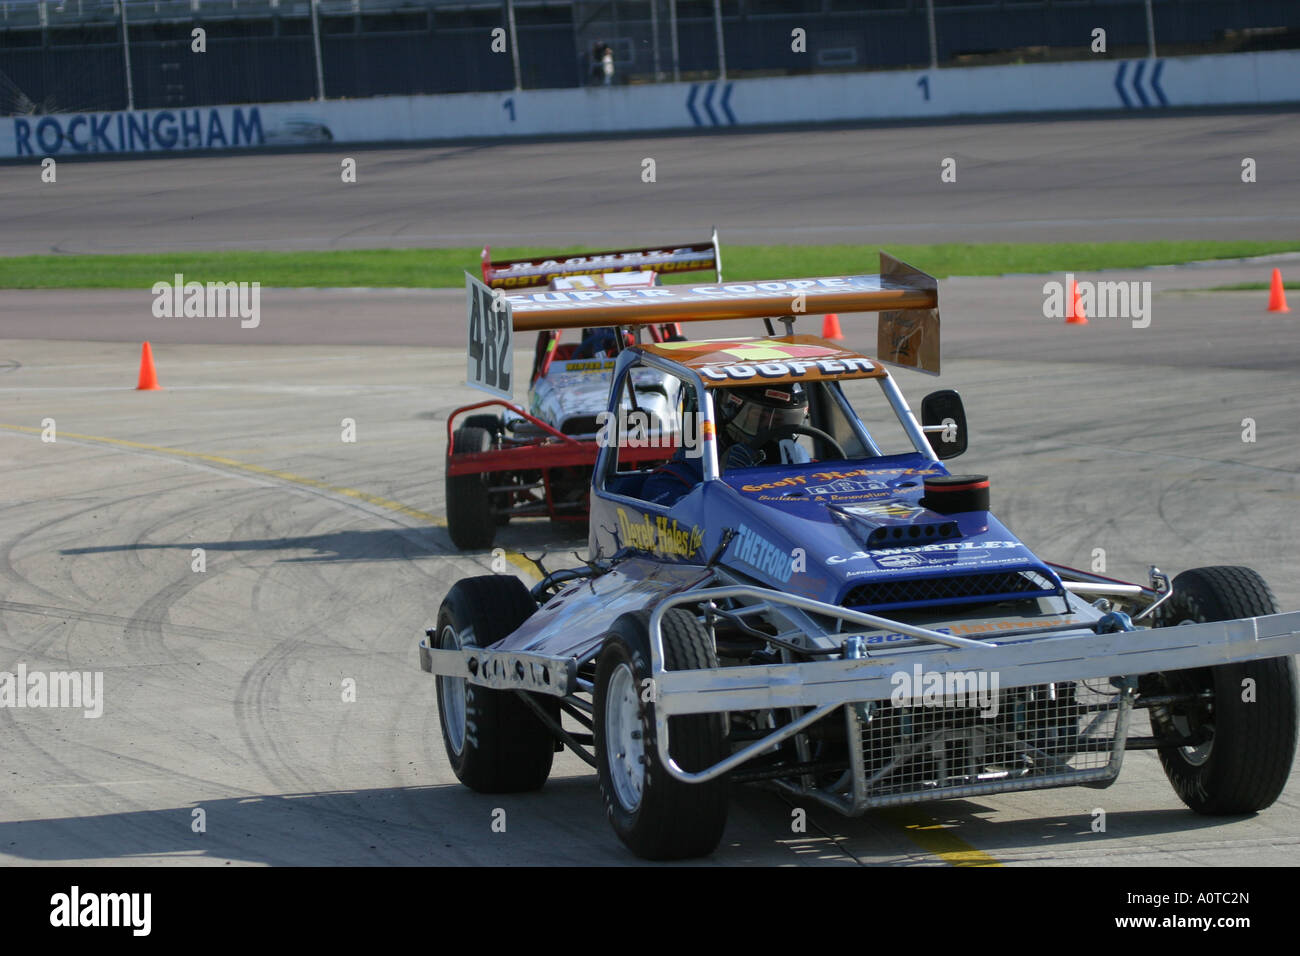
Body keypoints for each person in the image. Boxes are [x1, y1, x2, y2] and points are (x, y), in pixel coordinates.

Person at [640, 382, 810, 506]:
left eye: (782, 422)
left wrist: (809, 478)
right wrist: (725, 485)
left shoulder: (814, 473)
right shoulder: (672, 479)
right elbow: (683, 531)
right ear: (727, 411)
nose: (769, 431)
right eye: (759, 418)